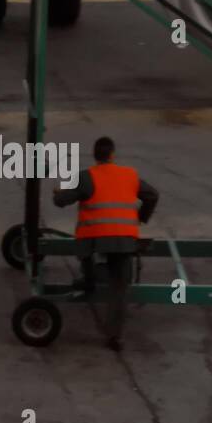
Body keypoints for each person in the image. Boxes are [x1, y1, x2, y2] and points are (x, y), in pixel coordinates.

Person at [53, 136, 159, 352]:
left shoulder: (86, 177)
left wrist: (58, 193)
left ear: (95, 156)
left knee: (85, 252)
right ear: (112, 155)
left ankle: (89, 280)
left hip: (93, 239)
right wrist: (141, 217)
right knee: (119, 289)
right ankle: (115, 337)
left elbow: (61, 201)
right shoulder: (130, 175)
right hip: (124, 239)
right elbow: (153, 195)